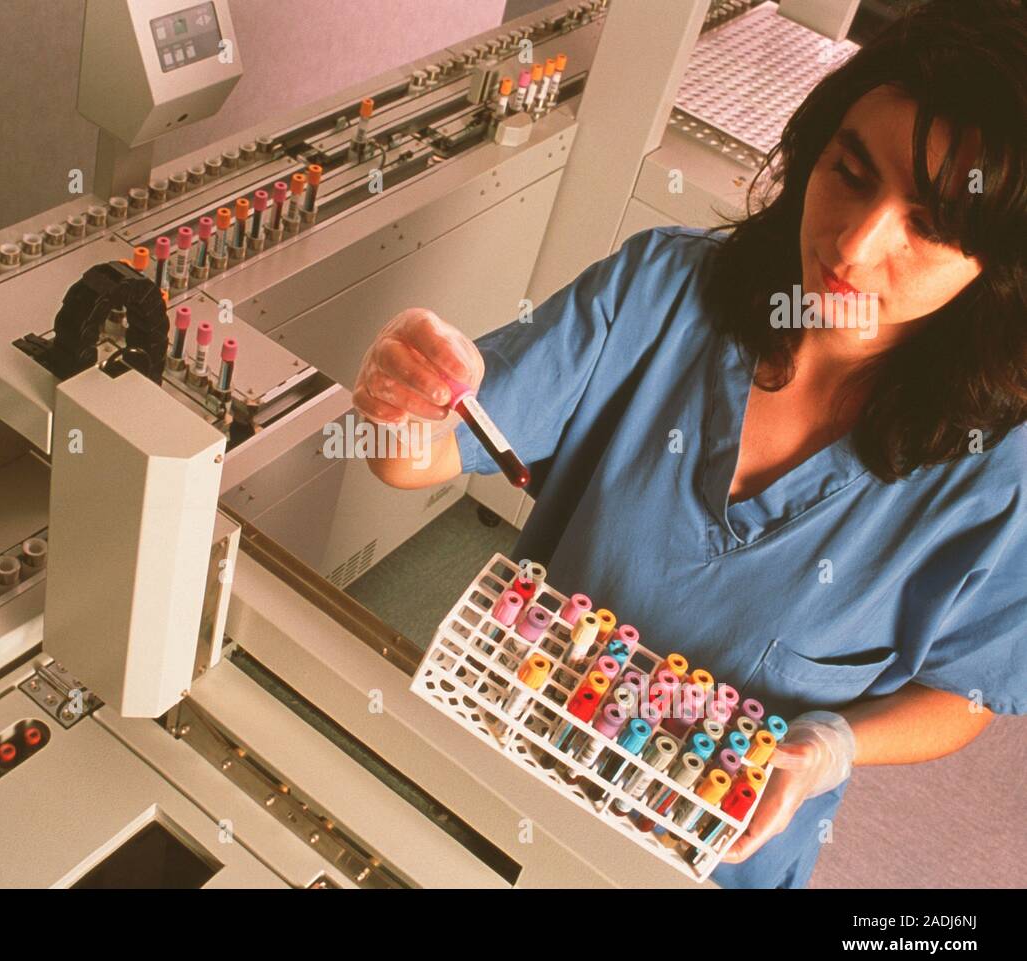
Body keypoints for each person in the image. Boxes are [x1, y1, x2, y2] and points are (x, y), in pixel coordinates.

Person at [352, 0, 1027, 887]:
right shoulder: (663, 293)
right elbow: (423, 458)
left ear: (998, 266)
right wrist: (404, 395)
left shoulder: (994, 471)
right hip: (514, 761)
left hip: (709, 855)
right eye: (850, 173)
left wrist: (833, 744)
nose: (858, 246)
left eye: (931, 227)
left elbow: (964, 689)